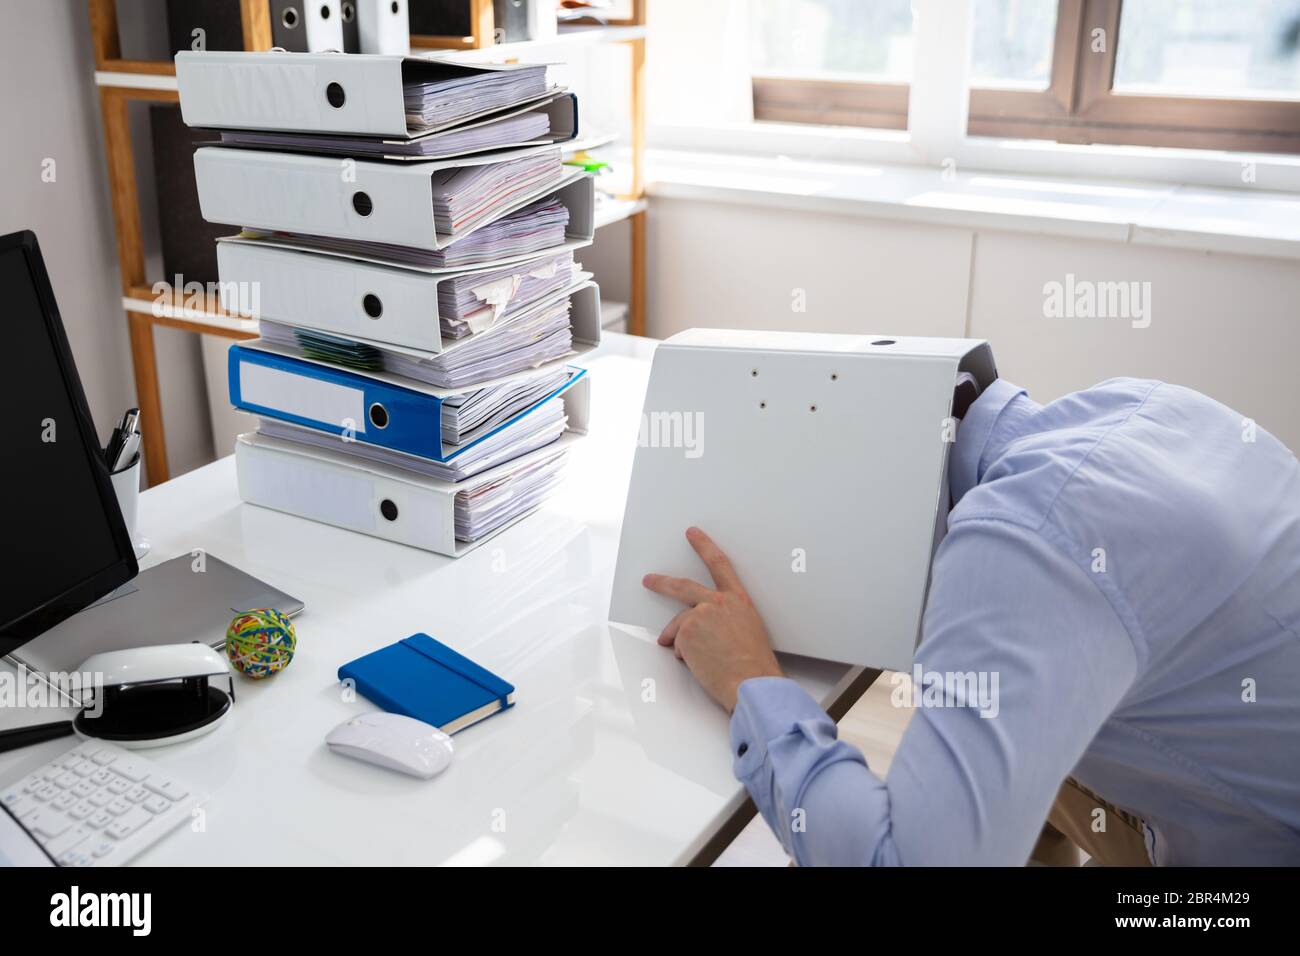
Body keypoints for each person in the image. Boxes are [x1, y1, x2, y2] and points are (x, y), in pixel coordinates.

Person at [642, 377, 1300, 866]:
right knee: (998, 746)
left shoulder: (1023, 536)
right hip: (1248, 789)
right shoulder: (1135, 407)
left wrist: (750, 680)